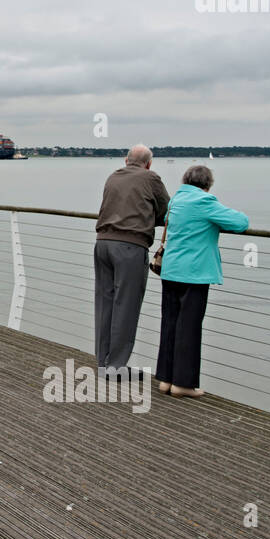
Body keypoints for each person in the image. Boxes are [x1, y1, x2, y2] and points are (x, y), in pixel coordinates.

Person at [156, 164, 249, 398]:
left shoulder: (175, 201)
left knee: (170, 324)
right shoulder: (204, 203)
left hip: (170, 270)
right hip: (194, 273)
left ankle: (166, 379)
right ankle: (183, 384)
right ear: (207, 185)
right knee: (189, 327)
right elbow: (240, 223)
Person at [94, 145, 170, 374]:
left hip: (102, 243)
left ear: (126, 161)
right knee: (126, 305)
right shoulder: (150, 178)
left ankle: (102, 362)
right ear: (148, 163)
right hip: (130, 246)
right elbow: (167, 212)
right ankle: (116, 366)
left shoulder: (113, 176)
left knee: (104, 302)